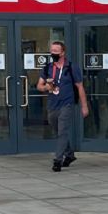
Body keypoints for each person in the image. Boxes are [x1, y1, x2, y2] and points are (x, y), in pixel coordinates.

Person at [37, 40, 88, 172]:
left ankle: (57, 160)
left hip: (67, 103)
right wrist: (46, 87)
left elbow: (80, 87)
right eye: (52, 51)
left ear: (63, 53)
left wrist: (84, 106)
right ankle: (69, 154)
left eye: (56, 52)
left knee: (62, 131)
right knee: (57, 131)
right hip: (53, 105)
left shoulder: (71, 67)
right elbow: (39, 86)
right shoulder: (47, 68)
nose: (53, 53)